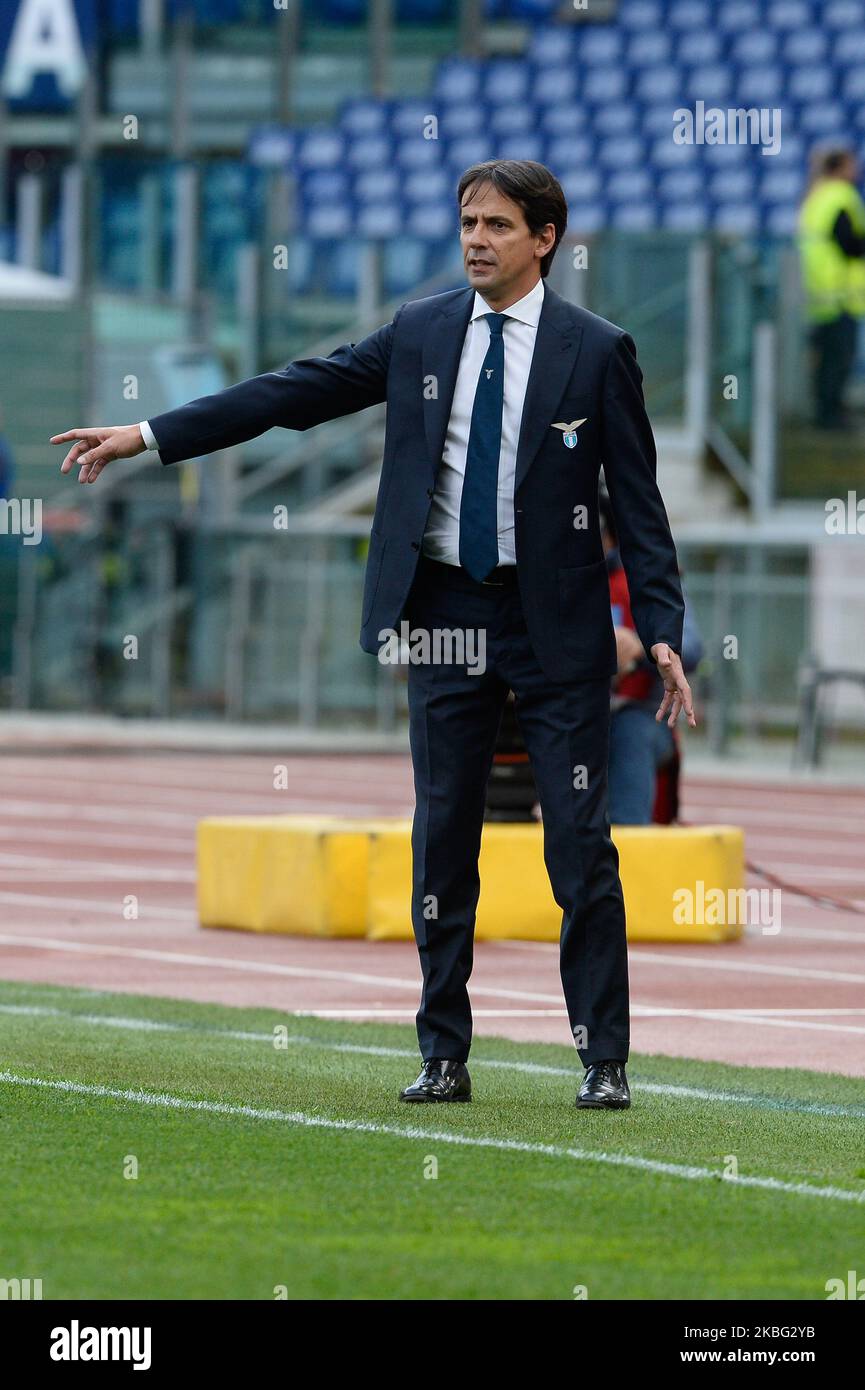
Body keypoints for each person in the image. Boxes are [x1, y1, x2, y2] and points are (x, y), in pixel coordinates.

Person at [51, 159, 694, 1112]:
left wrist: (662, 627)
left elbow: (639, 508)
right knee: (442, 838)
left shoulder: (596, 350)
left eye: (498, 225)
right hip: (441, 613)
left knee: (578, 847)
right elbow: (291, 391)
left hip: (554, 625)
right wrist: (149, 435)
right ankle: (443, 1053)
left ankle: (602, 1057)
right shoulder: (423, 330)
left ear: (544, 239)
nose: (476, 238)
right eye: (468, 221)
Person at [599, 487, 703, 825]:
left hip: (635, 715)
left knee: (628, 733)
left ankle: (630, 849)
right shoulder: (538, 574)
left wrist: (641, 647)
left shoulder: (647, 575)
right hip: (554, 711)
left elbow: (691, 646)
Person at [798, 146, 865, 430]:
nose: (857, 171)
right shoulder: (841, 196)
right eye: (852, 165)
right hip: (840, 295)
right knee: (838, 360)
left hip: (820, 294)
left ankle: (825, 414)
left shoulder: (815, 196)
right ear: (840, 168)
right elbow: (849, 243)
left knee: (826, 360)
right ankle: (831, 418)